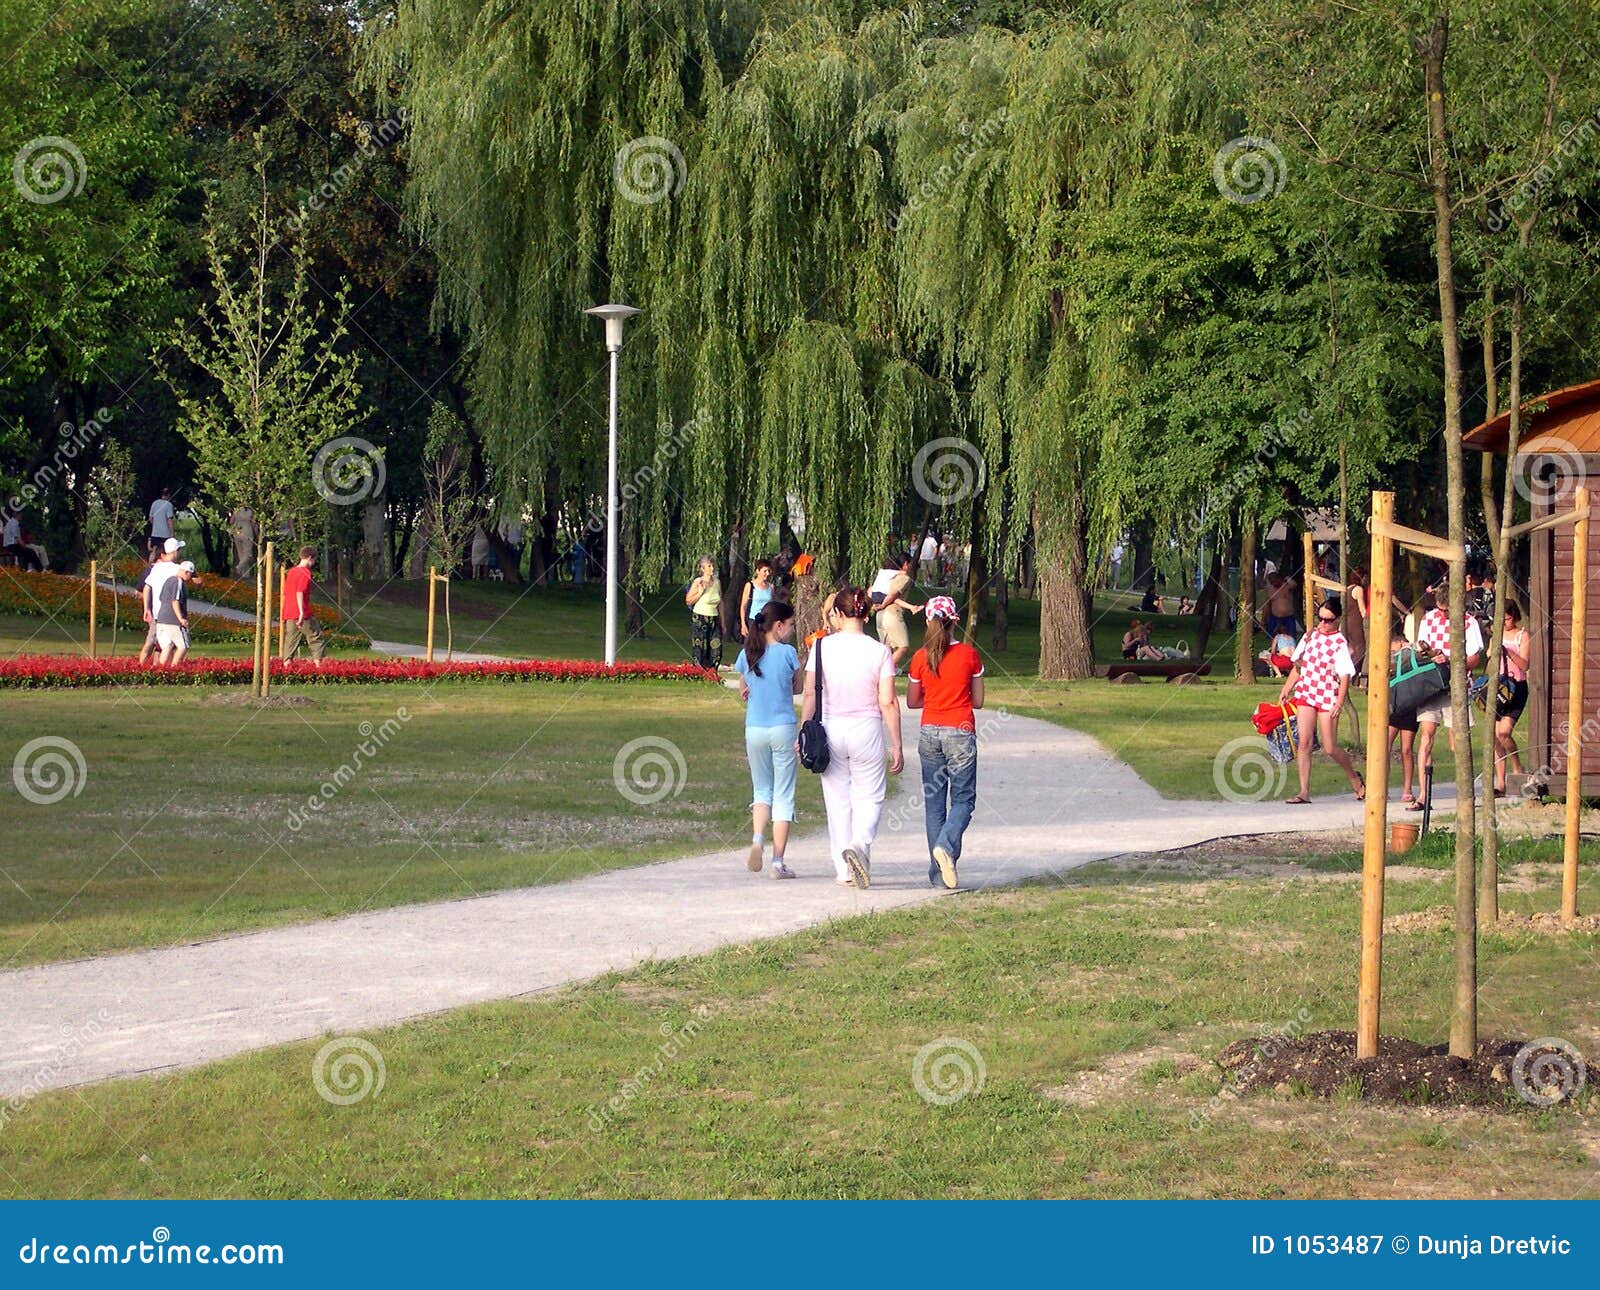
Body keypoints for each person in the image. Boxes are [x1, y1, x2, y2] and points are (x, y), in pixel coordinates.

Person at [800, 586, 903, 889]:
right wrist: (896, 743)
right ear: (867, 613)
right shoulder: (880, 651)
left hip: (831, 728)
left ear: (838, 614)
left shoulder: (820, 648)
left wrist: (804, 730)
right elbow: (887, 701)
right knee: (870, 795)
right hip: (866, 728)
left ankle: (843, 868)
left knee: (837, 800)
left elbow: (809, 693)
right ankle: (860, 844)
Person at [907, 595, 984, 890]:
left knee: (934, 804)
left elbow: (913, 701)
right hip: (960, 730)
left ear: (928, 621)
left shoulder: (919, 658)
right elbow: (977, 700)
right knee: (964, 799)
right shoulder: (969, 655)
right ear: (954, 622)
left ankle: (938, 875)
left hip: (929, 732)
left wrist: (934, 694)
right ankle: (947, 848)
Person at [736, 603, 802, 879]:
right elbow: (798, 687)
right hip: (782, 726)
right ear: (778, 626)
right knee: (783, 792)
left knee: (761, 790)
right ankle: (777, 862)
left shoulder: (747, 652)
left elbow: (743, 689)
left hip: (755, 728)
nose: (792, 630)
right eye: (790, 624)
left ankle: (756, 839)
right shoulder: (788, 653)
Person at [1278, 597, 1365, 804]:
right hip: (1307, 692)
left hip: (1328, 695)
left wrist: (1339, 702)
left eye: (1328, 620)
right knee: (1304, 742)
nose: (1323, 624)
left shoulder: (1339, 643)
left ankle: (1354, 777)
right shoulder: (1309, 637)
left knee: (1329, 746)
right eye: (1321, 618)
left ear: (1337, 620)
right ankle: (1304, 791)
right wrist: (1286, 688)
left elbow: (1345, 675)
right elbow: (1299, 667)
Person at [1409, 591, 1485, 809]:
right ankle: (1423, 795)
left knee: (1457, 741)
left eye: (1447, 610)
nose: (1443, 614)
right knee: (1427, 735)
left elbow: (1474, 657)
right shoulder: (1428, 619)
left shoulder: (1468, 622)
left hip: (1456, 686)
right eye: (1440, 609)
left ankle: (1466, 793)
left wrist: (1450, 660)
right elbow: (1419, 649)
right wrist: (1431, 655)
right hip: (1430, 685)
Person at [1493, 602, 1530, 796]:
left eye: (1507, 618)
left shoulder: (1522, 635)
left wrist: (1510, 653)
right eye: (1502, 618)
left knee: (1504, 733)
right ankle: (1500, 783)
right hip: (1499, 686)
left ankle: (1517, 766)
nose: (1505, 622)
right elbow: (1490, 656)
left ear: (1514, 617)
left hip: (1516, 687)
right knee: (1495, 735)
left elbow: (1525, 664)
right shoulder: (1496, 635)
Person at [870, 551, 923, 671]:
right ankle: (884, 671)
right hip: (892, 614)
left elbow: (870, 590)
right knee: (903, 646)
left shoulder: (885, 577)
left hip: (880, 616)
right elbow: (893, 595)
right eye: (910, 565)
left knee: (887, 648)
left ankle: (890, 669)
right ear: (905, 564)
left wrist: (874, 605)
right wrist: (884, 604)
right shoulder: (903, 578)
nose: (911, 568)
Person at [139, 539, 184, 664]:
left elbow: (146, 587)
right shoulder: (177, 569)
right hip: (171, 614)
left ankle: (141, 667)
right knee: (169, 644)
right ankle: (165, 670)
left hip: (156, 613)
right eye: (178, 550)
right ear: (174, 552)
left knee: (151, 642)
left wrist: (146, 608)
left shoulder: (156, 568)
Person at [282, 546, 326, 664]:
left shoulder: (291, 572)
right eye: (314, 560)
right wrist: (301, 612)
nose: (314, 563)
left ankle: (286, 666)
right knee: (315, 636)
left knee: (291, 640)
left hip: (289, 612)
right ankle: (319, 666)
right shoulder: (305, 572)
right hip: (302, 612)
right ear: (310, 558)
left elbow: (286, 593)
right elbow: (299, 592)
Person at [685, 555, 722, 669]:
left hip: (714, 617)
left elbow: (721, 602)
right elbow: (688, 600)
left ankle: (712, 671)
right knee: (700, 646)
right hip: (700, 616)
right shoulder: (698, 582)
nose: (711, 568)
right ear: (702, 568)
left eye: (713, 566)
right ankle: (699, 671)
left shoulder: (717, 582)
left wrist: (723, 621)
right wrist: (700, 592)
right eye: (709, 566)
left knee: (716, 646)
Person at [154, 560, 193, 667]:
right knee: (184, 646)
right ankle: (174, 669)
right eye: (191, 574)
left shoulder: (169, 580)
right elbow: (175, 601)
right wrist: (181, 618)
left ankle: (160, 671)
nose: (190, 578)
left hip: (161, 619)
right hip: (173, 621)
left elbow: (162, 598)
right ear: (186, 572)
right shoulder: (178, 582)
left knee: (167, 646)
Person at [738, 557, 776, 640]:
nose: (767, 573)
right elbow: (743, 606)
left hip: (767, 621)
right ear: (758, 571)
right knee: (753, 647)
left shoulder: (771, 587)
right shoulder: (750, 586)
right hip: (753, 621)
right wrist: (743, 624)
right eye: (765, 571)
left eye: (769, 571)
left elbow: (771, 605)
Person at [1344, 566, 1369, 682]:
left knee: (1351, 650)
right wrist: (1368, 621)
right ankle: (1353, 675)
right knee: (1360, 649)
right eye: (1365, 577)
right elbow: (1362, 609)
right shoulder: (1358, 589)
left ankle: (1349, 675)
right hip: (1356, 623)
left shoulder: (1347, 589)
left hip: (1346, 622)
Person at [1260, 570, 1300, 640]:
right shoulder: (1269, 590)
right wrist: (1263, 620)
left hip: (1288, 617)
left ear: (1279, 579)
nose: (1274, 583)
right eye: (1272, 582)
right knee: (1272, 638)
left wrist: (1287, 578)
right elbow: (1267, 605)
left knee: (1291, 637)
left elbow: (1294, 584)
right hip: (1275, 617)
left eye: (1275, 581)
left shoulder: (1287, 586)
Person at [148, 487, 176, 557]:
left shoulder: (154, 503)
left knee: (154, 551)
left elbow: (150, 518)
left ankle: (150, 566)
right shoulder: (169, 505)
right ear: (169, 495)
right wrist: (172, 534)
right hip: (165, 534)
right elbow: (169, 520)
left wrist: (156, 525)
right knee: (165, 552)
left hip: (155, 533)